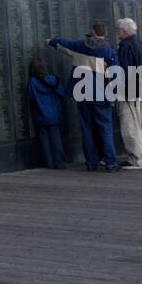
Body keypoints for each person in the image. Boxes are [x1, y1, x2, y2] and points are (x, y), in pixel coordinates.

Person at [47, 22, 120, 172]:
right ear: (104, 34)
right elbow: (116, 76)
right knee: (105, 129)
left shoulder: (79, 46)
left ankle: (91, 163)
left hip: (82, 94)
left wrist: (50, 41)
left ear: (92, 32)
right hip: (101, 95)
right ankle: (111, 163)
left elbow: (63, 43)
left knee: (87, 129)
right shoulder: (108, 51)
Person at [115, 18, 142, 170]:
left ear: (124, 31)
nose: (117, 32)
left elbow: (124, 72)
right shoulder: (141, 44)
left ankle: (136, 159)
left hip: (130, 92)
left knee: (130, 126)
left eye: (118, 29)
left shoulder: (125, 46)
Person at [27, 56, 67, 169]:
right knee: (56, 139)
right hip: (54, 114)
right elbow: (61, 93)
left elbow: (31, 96)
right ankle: (60, 163)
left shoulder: (32, 81)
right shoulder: (53, 80)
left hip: (40, 113)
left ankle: (49, 164)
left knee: (44, 141)